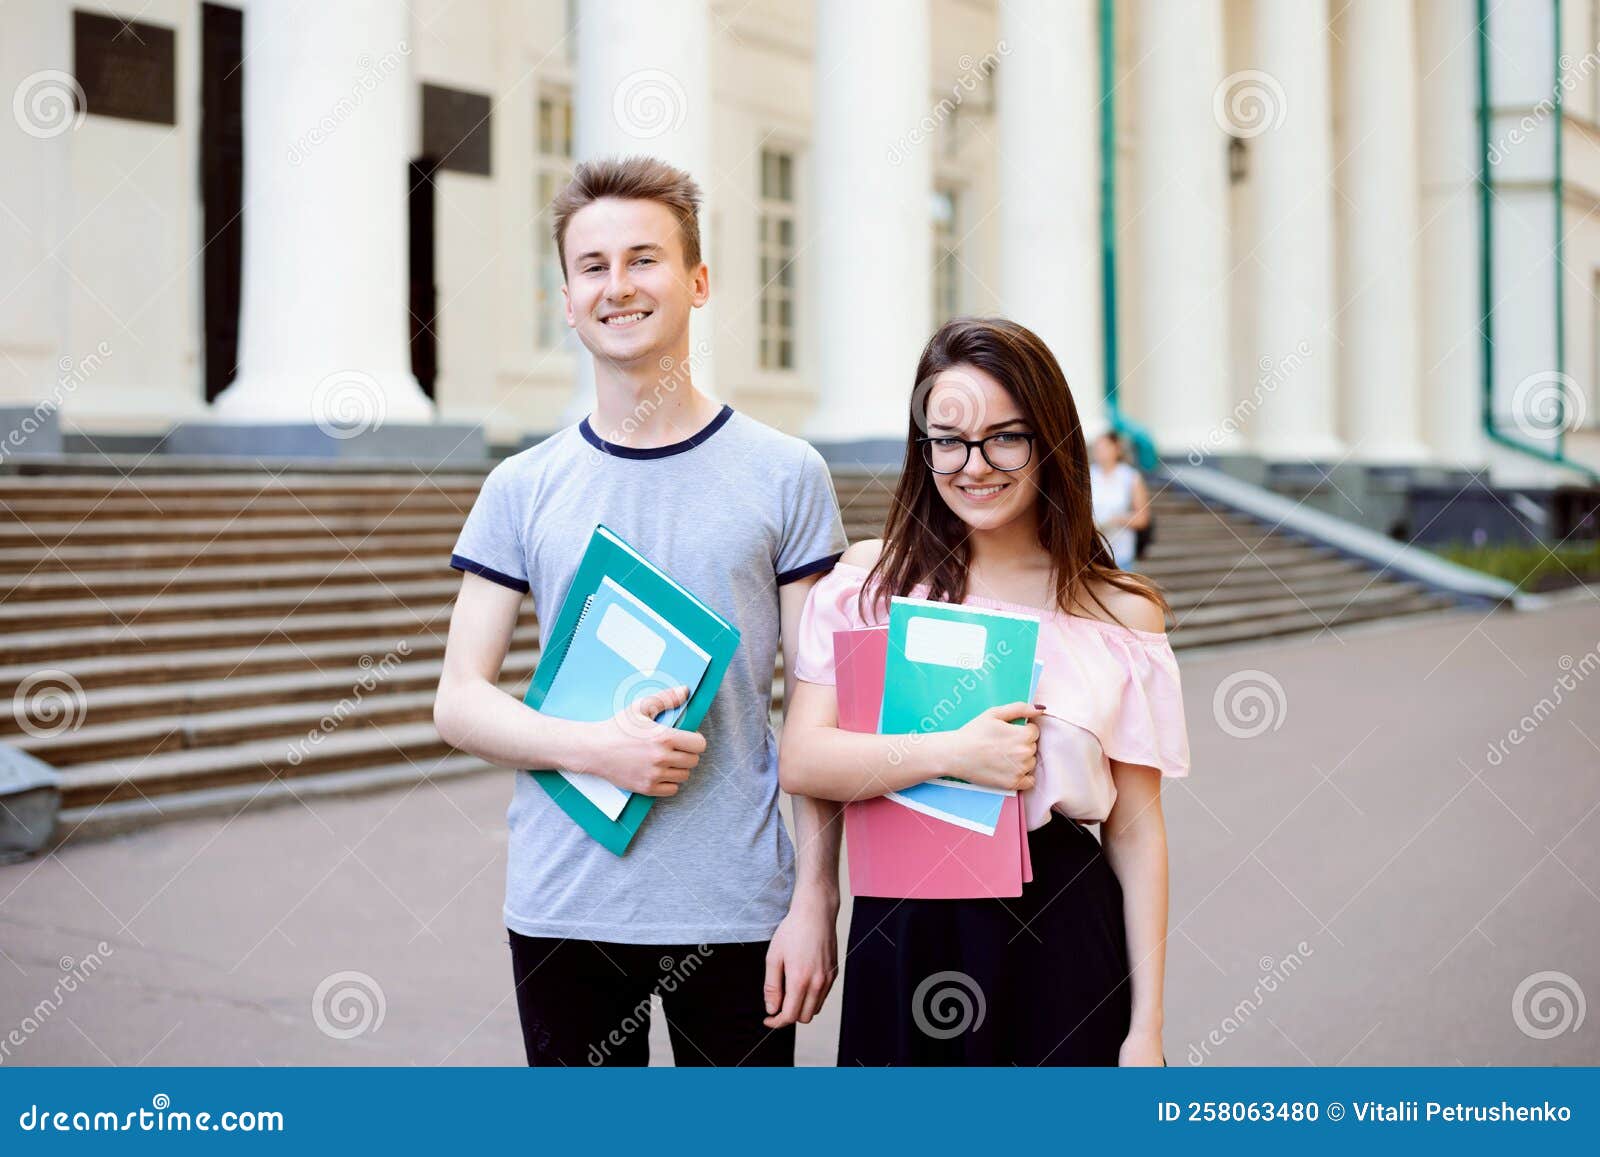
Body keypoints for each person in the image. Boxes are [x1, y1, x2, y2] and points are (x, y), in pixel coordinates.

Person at [434, 156, 848, 1067]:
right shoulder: (521, 486)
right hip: (565, 902)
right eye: (593, 266)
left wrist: (817, 896)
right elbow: (457, 699)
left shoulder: (788, 475)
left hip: (739, 903)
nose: (618, 286)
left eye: (644, 259)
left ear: (698, 281)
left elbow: (820, 705)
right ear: (568, 298)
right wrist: (594, 747)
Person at [778, 317, 1191, 1066]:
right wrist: (957, 752)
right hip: (905, 924)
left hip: (1061, 929)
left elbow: (1136, 830)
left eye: (1007, 436)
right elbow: (804, 759)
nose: (976, 465)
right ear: (923, 446)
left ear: (1051, 441)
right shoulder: (873, 585)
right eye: (949, 440)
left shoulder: (1119, 611)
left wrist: (1148, 1027)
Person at [1089, 430, 1151, 571]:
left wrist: (1115, 520)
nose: (1100, 452)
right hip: (1093, 555)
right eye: (1098, 448)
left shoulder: (1130, 477)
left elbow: (1143, 518)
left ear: (1117, 449)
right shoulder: (1087, 475)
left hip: (1121, 555)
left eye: (1105, 447)